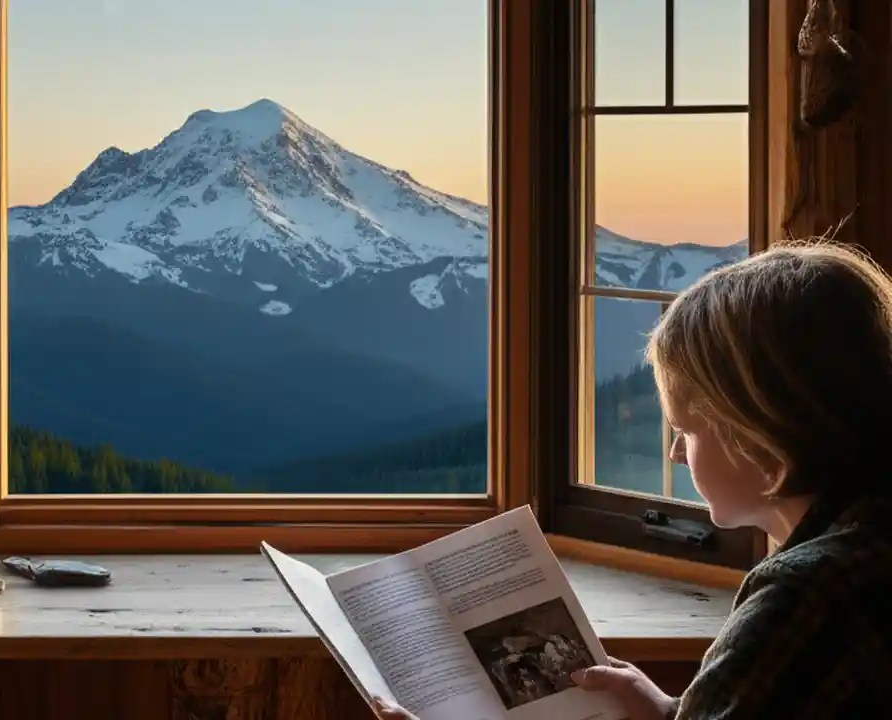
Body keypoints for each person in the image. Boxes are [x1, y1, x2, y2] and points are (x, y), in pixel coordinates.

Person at [374, 241, 892, 719]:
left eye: (686, 432)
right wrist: (669, 713)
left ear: (756, 433)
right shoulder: (865, 548)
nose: (675, 454)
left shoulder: (803, 598)